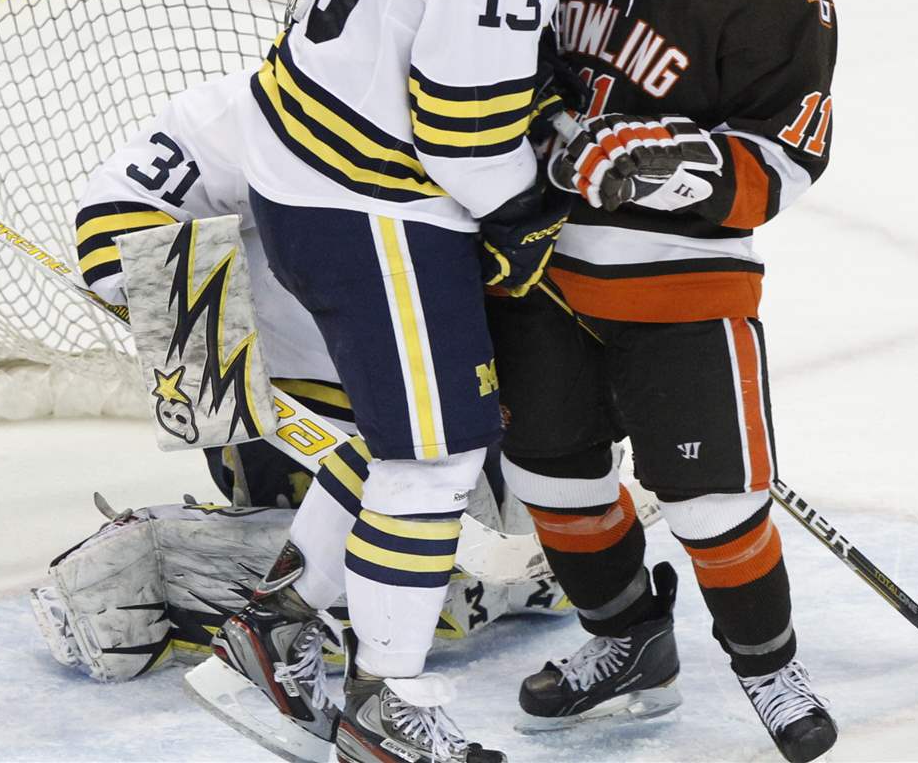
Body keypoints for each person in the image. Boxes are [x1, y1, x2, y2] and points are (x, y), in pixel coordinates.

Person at [187, 0, 655, 763]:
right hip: (370, 199)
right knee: (435, 458)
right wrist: (523, 211)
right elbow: (459, 128)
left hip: (303, 169)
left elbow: (421, 3)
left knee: (390, 430)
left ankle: (275, 629)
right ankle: (382, 705)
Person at [483, 0, 840, 763]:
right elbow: (491, 18)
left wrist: (669, 161)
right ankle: (628, 640)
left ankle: (769, 669)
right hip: (538, 270)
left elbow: (789, 157)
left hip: (680, 288)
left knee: (715, 503)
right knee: (551, 474)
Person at [53, 70, 571, 682]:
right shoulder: (257, 111)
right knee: (415, 588)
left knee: (532, 559)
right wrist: (181, 318)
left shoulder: (507, 114)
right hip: (306, 403)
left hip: (453, 387)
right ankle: (156, 566)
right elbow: (116, 213)